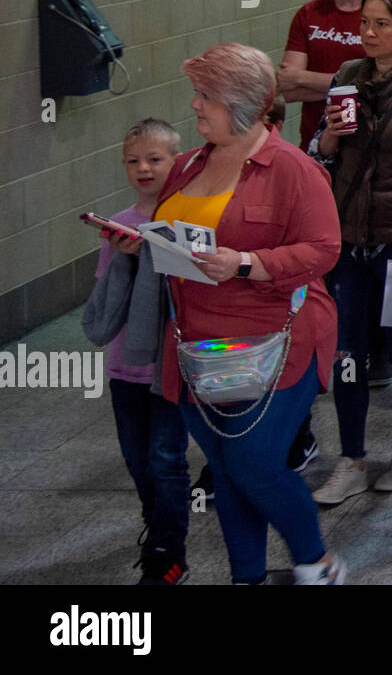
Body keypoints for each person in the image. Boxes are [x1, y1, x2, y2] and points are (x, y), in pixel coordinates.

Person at [158, 43, 346, 585]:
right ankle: (248, 577)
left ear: (239, 103)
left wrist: (244, 263)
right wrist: (141, 242)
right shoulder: (191, 162)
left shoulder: (293, 168)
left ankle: (316, 561)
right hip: (198, 344)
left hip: (273, 342)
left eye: (205, 97)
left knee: (254, 465)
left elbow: (323, 249)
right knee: (225, 470)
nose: (194, 106)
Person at [307, 0, 392, 504]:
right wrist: (331, 138)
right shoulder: (346, 78)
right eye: (365, 22)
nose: (369, 32)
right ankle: (352, 456)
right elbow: (319, 150)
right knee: (348, 352)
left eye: (382, 24)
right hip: (349, 234)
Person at [84, 118, 189, 584]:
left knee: (167, 459)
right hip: (126, 366)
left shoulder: (185, 222)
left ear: (176, 160)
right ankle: (157, 526)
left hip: (168, 368)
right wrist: (124, 258)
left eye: (155, 159)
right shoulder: (120, 225)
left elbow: (190, 290)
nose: (143, 168)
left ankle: (170, 550)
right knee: (137, 459)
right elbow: (106, 302)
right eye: (133, 160)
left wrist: (153, 254)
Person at [280, 0, 383, 149]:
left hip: (367, 146)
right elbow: (287, 88)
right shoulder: (310, 12)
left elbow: (378, 87)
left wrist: (302, 77)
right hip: (313, 144)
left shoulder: (384, 14)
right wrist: (352, 89)